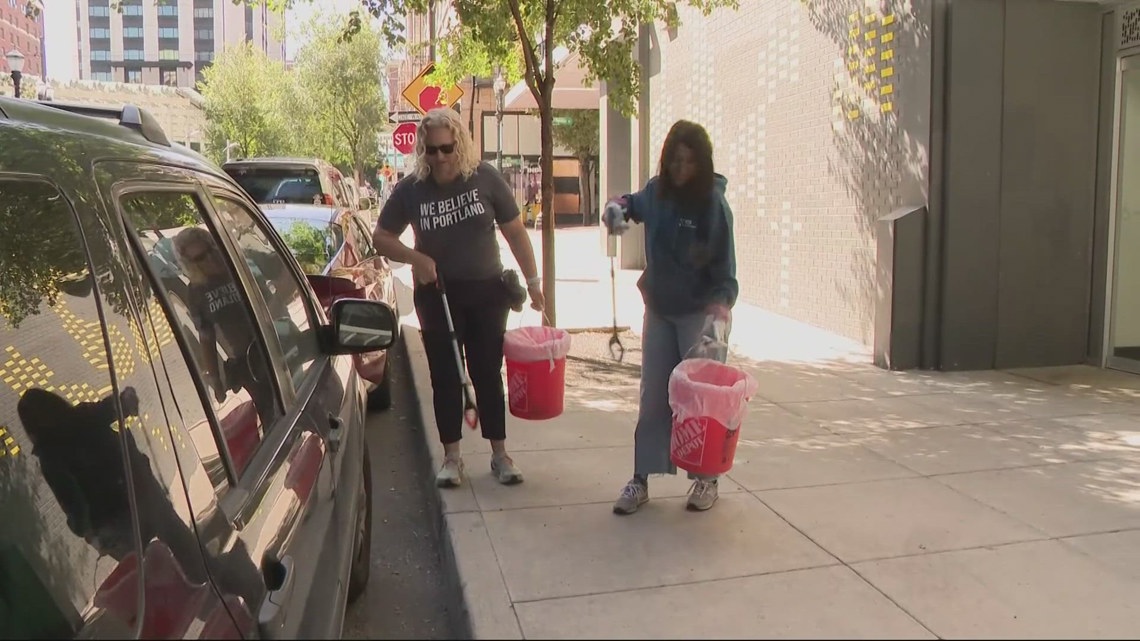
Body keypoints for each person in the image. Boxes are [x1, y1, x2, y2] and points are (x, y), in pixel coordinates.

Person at [373, 107, 544, 488]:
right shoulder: (411, 190)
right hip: (437, 295)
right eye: (431, 151)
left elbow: (516, 232)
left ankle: (500, 454)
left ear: (460, 144)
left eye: (446, 149)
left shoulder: (484, 178)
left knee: (486, 372)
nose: (439, 158)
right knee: (446, 377)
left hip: (486, 292)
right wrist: (415, 257)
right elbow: (381, 237)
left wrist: (533, 282)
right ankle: (452, 458)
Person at [603, 120, 739, 514]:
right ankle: (641, 478)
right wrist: (617, 208)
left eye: (689, 162)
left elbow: (726, 274)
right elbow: (631, 203)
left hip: (700, 315)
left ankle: (706, 480)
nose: (681, 168)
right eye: (675, 160)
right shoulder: (656, 193)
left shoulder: (713, 206)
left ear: (702, 163)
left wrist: (719, 314)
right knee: (654, 397)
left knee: (701, 403)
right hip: (660, 309)